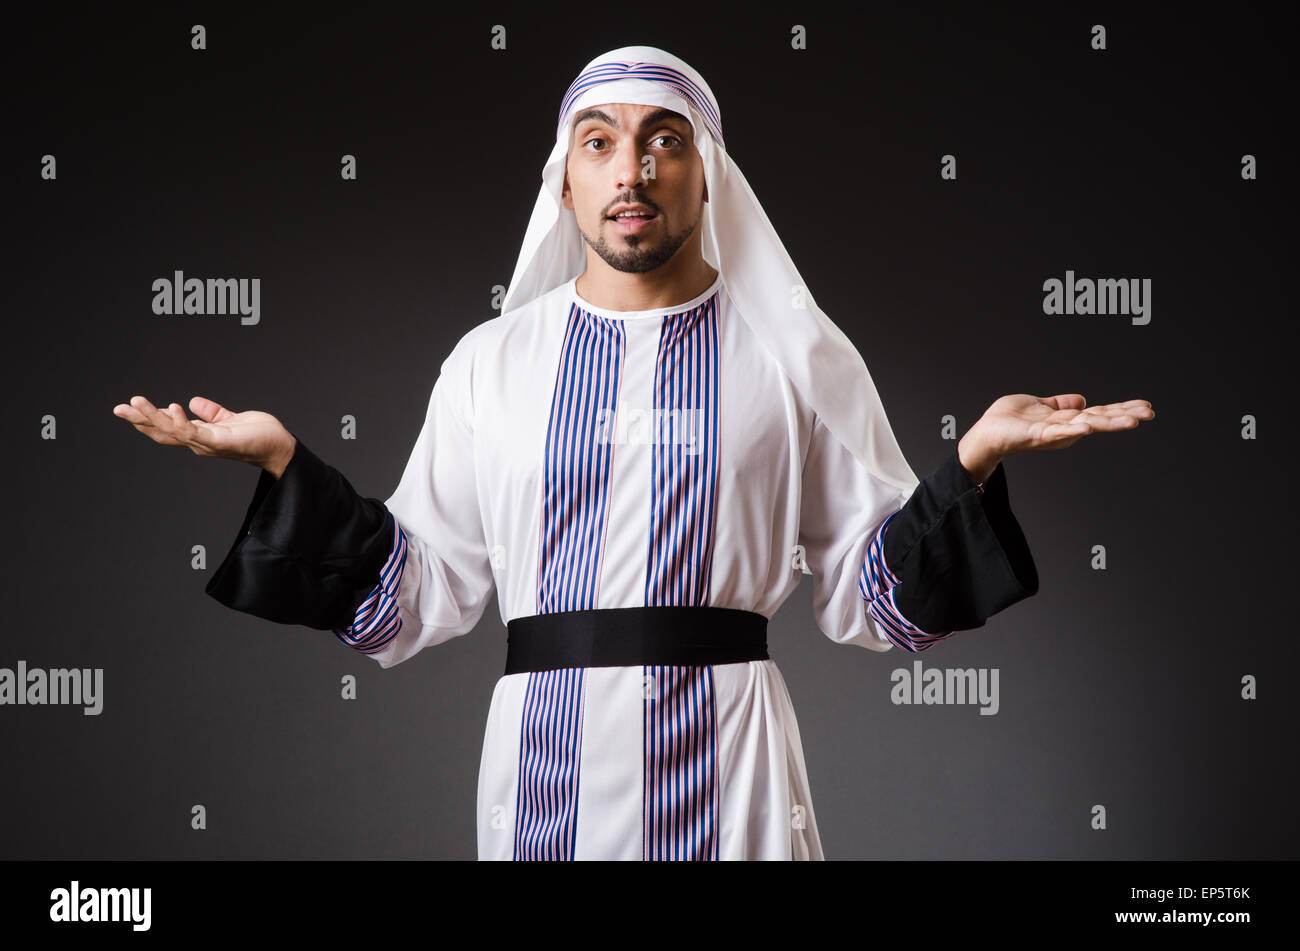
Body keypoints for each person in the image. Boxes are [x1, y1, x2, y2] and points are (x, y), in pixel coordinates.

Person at [112, 45, 1154, 860]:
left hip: (730, 762)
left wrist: (969, 458)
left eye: (665, 138)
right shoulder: (490, 361)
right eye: (599, 141)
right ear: (563, 183)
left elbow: (868, 594)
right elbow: (419, 591)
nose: (633, 167)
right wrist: (287, 465)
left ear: (710, 178)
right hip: (542, 770)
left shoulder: (792, 358)